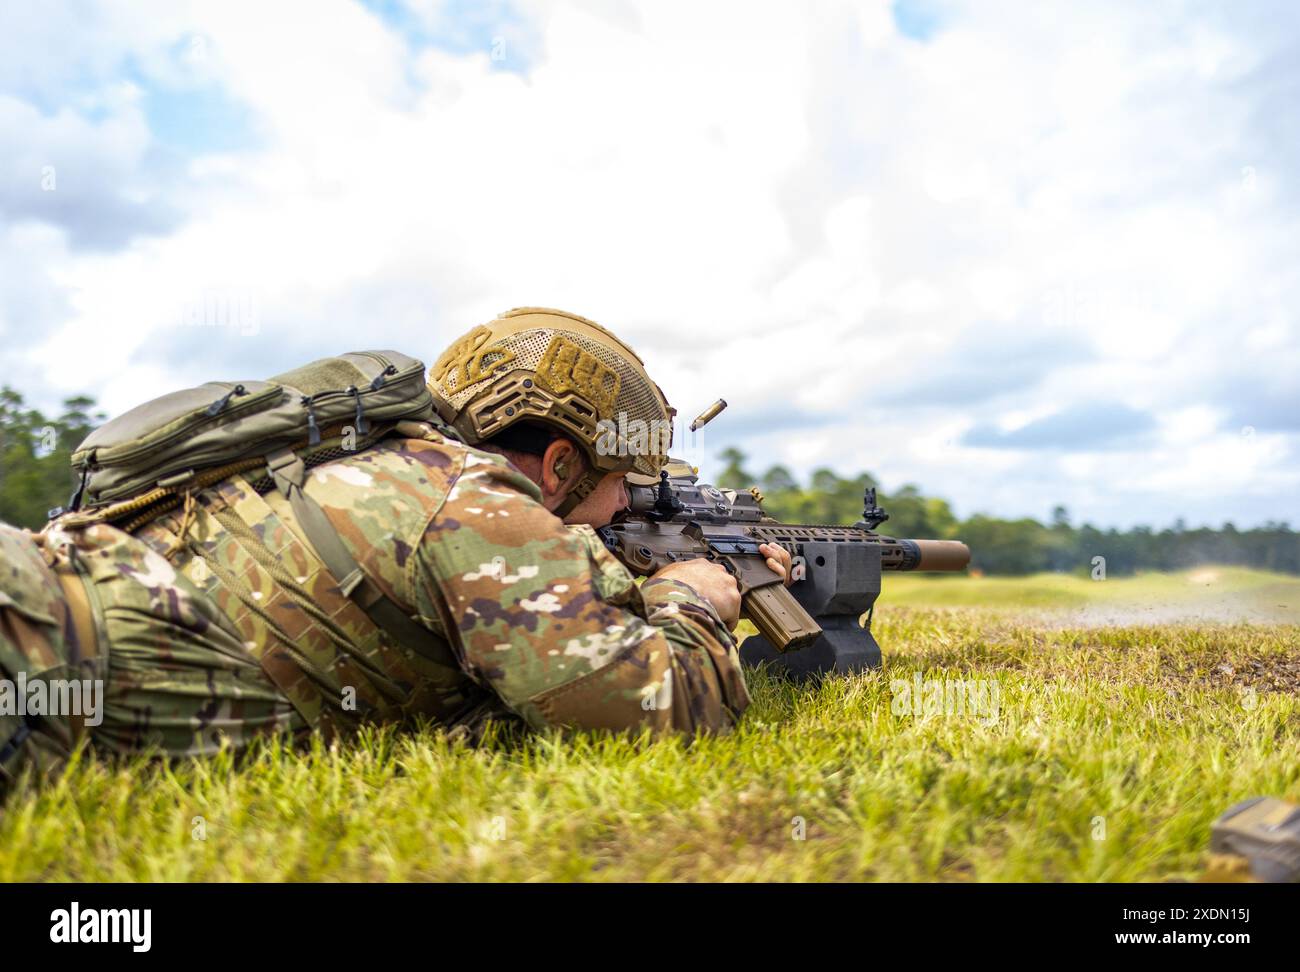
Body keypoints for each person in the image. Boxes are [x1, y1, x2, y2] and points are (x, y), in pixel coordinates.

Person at [0, 307, 790, 796]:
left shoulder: (386, 460)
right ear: (558, 466)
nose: (626, 505)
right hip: (45, 655)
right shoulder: (475, 504)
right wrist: (694, 597)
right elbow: (659, 713)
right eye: (622, 482)